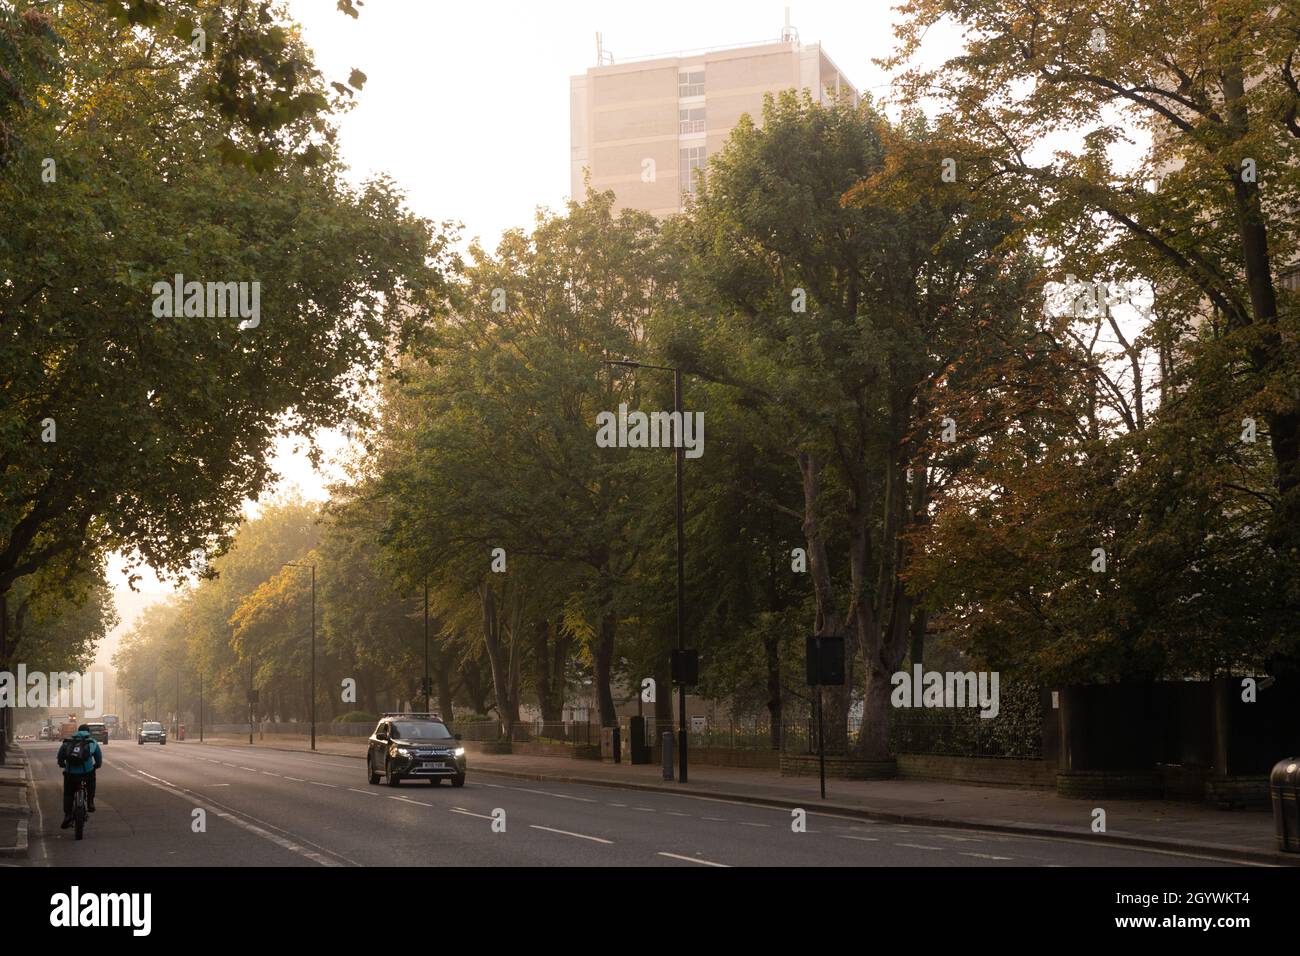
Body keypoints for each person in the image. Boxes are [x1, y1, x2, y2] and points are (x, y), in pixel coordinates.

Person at [57, 724, 103, 828]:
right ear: (88, 732)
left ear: (78, 731)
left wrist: (61, 764)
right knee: (92, 780)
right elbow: (98, 757)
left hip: (70, 774)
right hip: (87, 773)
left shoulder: (68, 742)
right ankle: (90, 802)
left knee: (68, 793)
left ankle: (68, 814)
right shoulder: (92, 742)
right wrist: (97, 765)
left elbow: (60, 756)